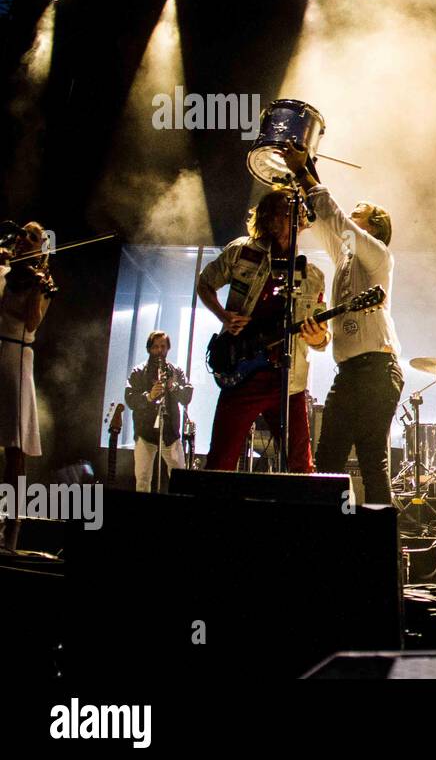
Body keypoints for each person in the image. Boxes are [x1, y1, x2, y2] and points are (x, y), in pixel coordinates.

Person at [282, 145, 402, 504]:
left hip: (378, 371)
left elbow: (335, 220)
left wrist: (306, 173)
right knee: (327, 463)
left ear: (373, 227)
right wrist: (308, 172)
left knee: (373, 464)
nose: (351, 215)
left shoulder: (378, 254)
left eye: (359, 214)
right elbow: (323, 221)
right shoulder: (345, 258)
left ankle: (384, 551)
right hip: (348, 373)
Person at [197, 187, 329, 472]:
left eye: (293, 213)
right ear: (267, 217)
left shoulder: (312, 275)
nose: (288, 218)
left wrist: (319, 337)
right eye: (282, 212)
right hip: (243, 374)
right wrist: (224, 315)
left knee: (301, 467)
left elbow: (322, 336)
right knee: (221, 460)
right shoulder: (241, 251)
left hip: (289, 380)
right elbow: (204, 282)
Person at [0, 222, 54, 550]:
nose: (24, 238)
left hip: (16, 358)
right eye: (22, 233)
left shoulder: (42, 282)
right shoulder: (4, 270)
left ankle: (11, 527)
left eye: (33, 237)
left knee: (15, 449)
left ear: (42, 249)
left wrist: (36, 288)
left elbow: (33, 322)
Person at [124, 330, 194, 491]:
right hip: (145, 432)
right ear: (149, 349)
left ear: (168, 348)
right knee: (142, 479)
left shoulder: (176, 371)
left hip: (170, 432)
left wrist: (173, 386)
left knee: (180, 478)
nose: (160, 350)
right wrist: (148, 396)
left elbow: (187, 397)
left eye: (163, 346)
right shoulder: (138, 371)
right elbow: (129, 398)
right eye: (155, 347)